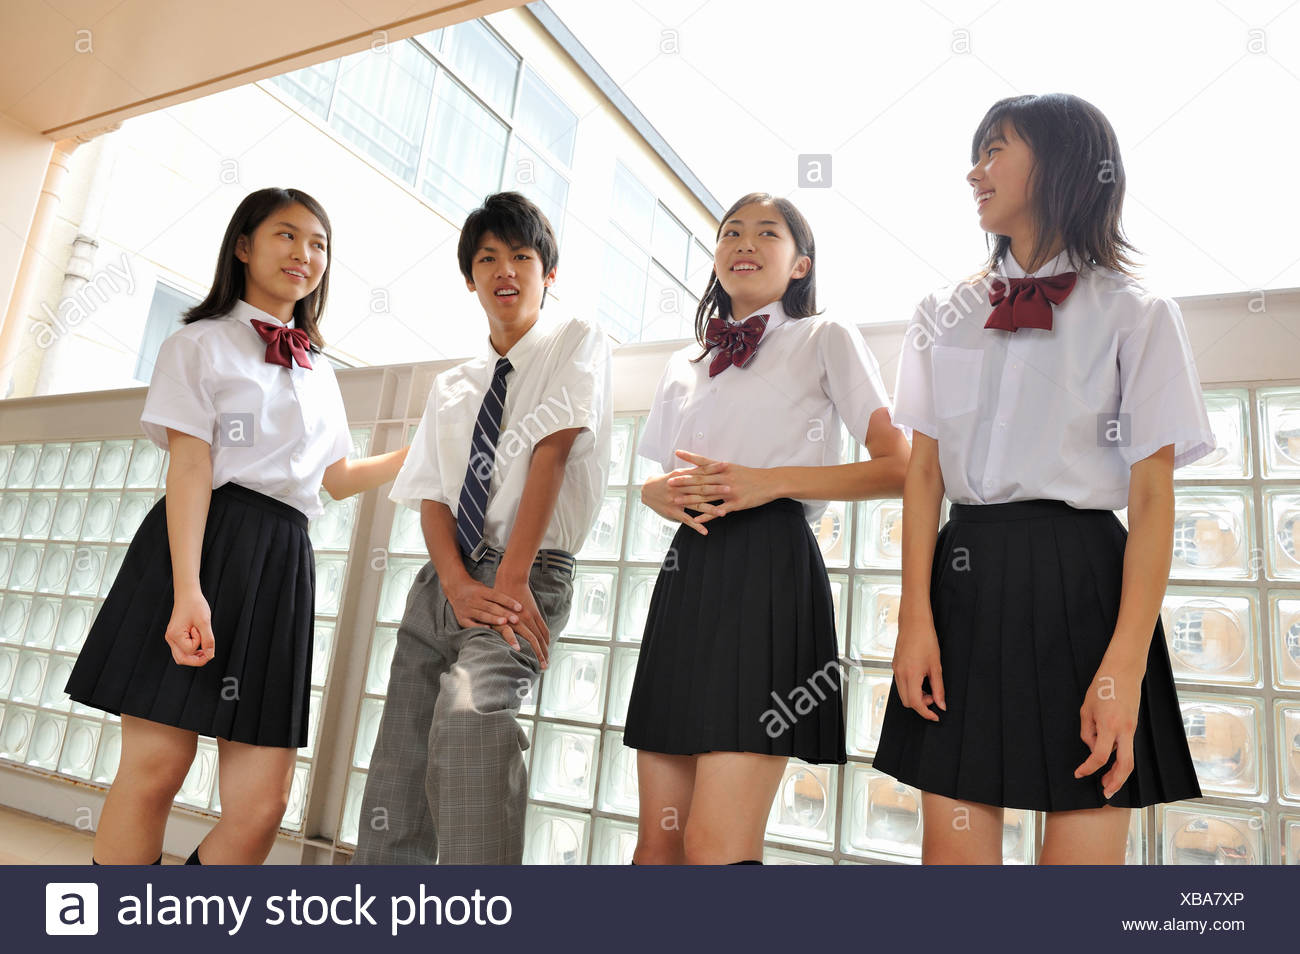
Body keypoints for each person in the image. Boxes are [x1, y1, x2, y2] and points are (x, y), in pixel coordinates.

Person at [872, 93, 1215, 864]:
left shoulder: (1138, 312)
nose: (974, 171)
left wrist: (1123, 667)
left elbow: (1154, 497)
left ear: (1061, 163)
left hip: (1086, 591)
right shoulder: (942, 311)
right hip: (962, 586)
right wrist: (913, 619)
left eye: (994, 150)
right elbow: (923, 473)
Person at [65, 187, 409, 865]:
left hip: (282, 565)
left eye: (318, 244)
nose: (304, 254)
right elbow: (190, 469)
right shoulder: (199, 345)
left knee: (262, 807)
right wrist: (186, 591)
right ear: (244, 247)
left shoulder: (319, 370)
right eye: (286, 236)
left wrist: (419, 453)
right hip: (202, 544)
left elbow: (334, 478)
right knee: (156, 770)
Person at [625, 192, 910, 865]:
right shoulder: (683, 363)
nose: (743, 242)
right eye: (730, 232)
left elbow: (901, 466)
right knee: (656, 847)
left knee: (714, 845)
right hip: (687, 574)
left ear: (800, 263)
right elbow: (649, 481)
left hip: (771, 577)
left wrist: (770, 480)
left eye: (767, 233)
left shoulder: (825, 337)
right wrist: (657, 493)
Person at [352, 191, 612, 865]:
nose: (506, 270)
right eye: (488, 257)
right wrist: (456, 583)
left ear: (547, 274)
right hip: (444, 579)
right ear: (469, 276)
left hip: (524, 570)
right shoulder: (452, 385)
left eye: (522, 256)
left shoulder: (576, 339)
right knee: (399, 761)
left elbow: (550, 453)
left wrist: (511, 580)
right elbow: (434, 496)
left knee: (471, 727)